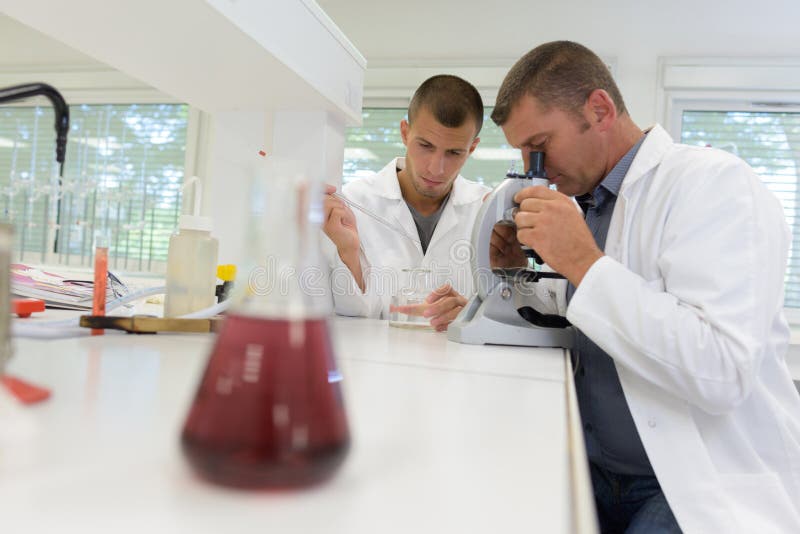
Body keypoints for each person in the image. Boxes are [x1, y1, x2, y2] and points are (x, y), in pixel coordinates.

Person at [490, 41, 800, 533]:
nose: (534, 167)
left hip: (686, 480)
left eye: (540, 144)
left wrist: (585, 264)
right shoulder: (587, 203)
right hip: (593, 467)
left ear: (599, 109)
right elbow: (594, 318)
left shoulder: (715, 185)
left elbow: (721, 367)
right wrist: (514, 278)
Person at [323, 75, 490, 331]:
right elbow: (347, 319)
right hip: (379, 367)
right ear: (405, 132)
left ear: (472, 148)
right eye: (425, 145)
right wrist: (349, 253)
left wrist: (469, 315)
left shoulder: (485, 210)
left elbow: (509, 315)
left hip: (458, 367)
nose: (436, 168)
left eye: (454, 152)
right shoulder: (354, 204)